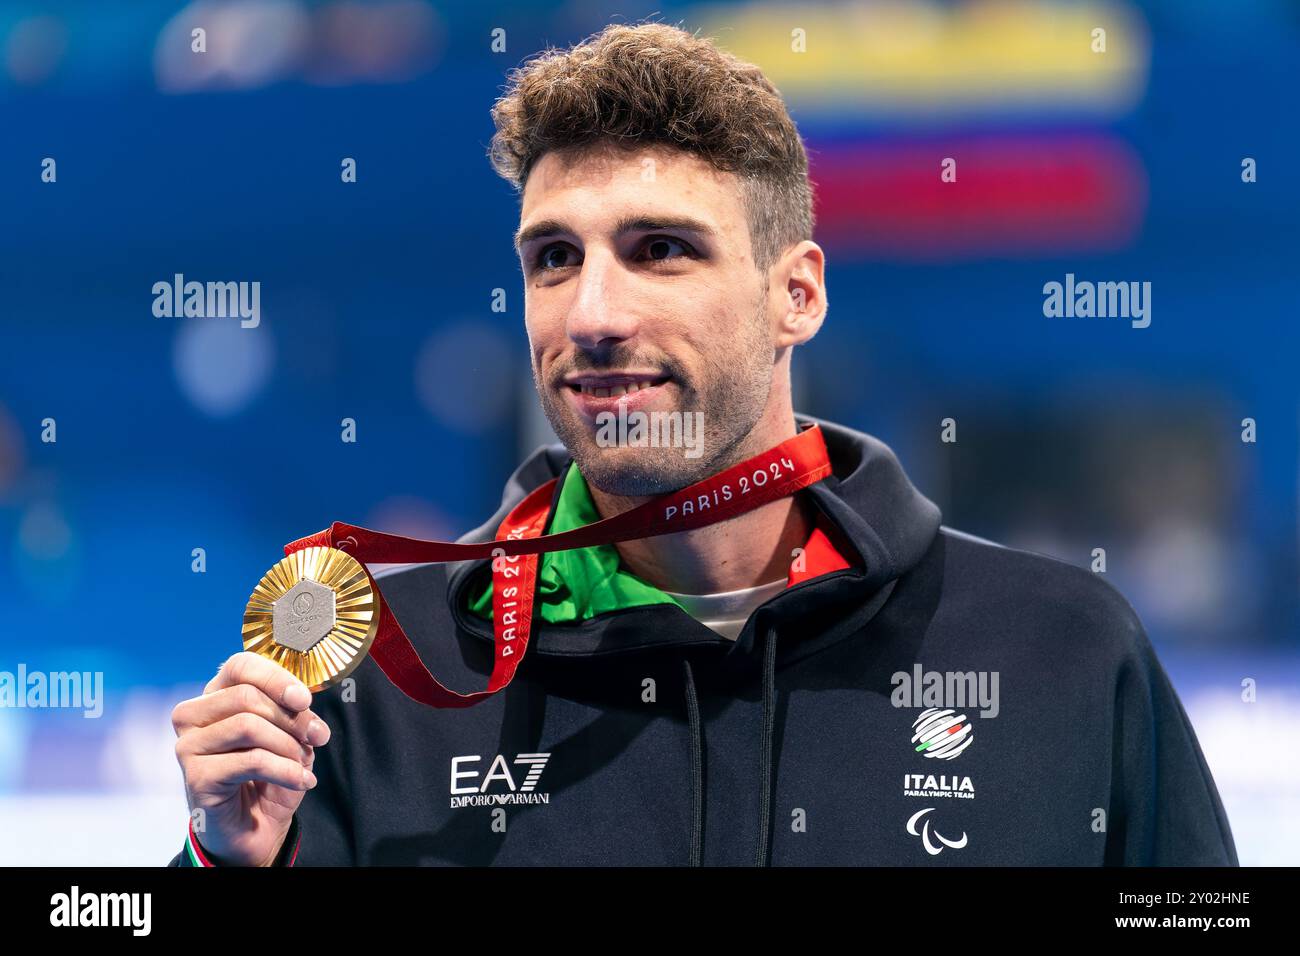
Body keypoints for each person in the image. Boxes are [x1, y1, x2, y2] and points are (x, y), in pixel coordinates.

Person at [168, 22, 1237, 866]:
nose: (590, 312)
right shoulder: (379, 685)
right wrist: (225, 862)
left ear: (796, 294)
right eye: (552, 258)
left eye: (660, 250)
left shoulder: (1058, 653)